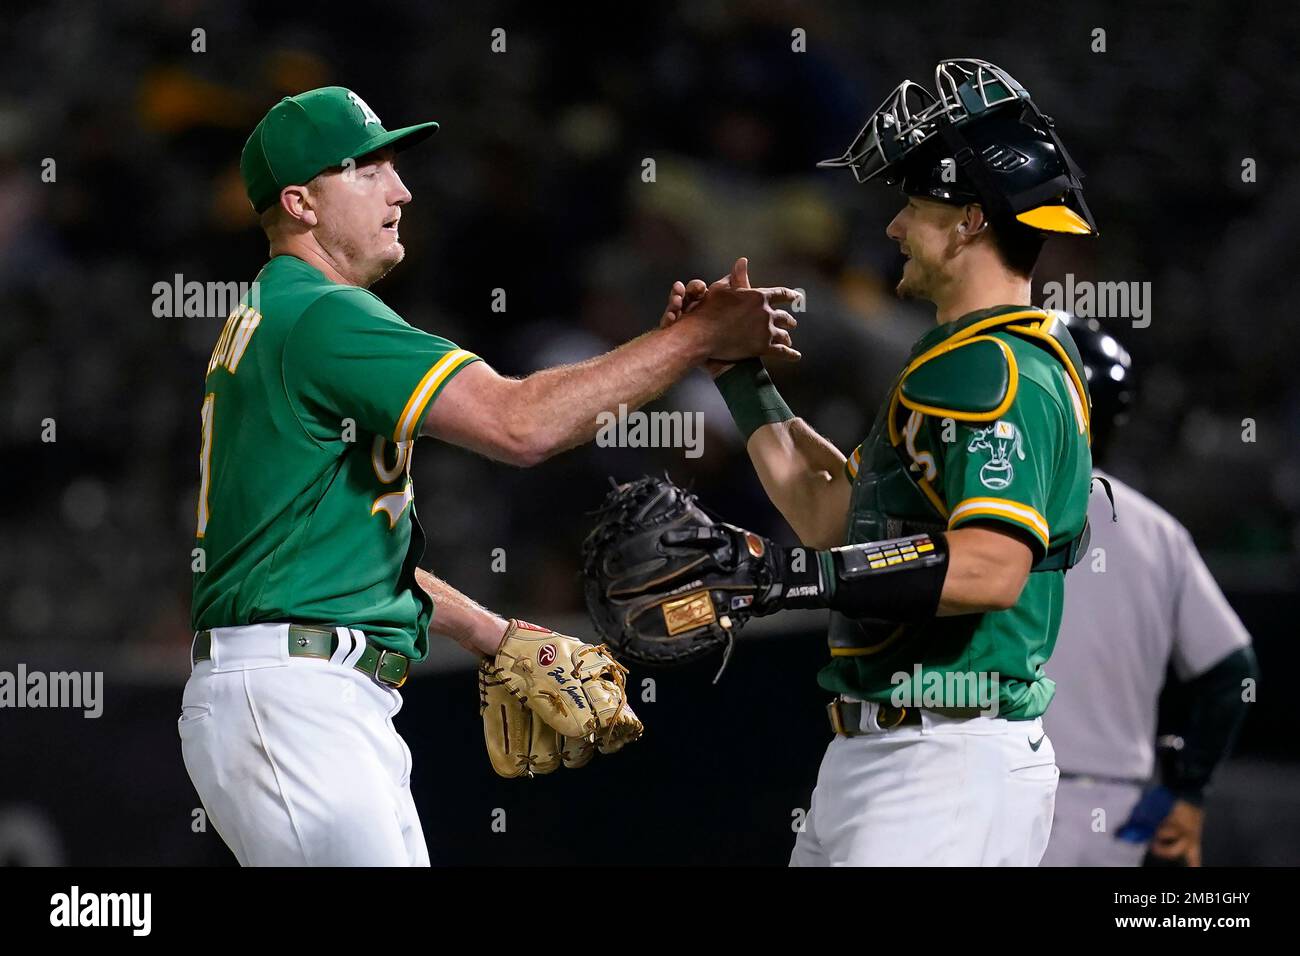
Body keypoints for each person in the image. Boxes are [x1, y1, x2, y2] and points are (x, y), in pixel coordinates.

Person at [181, 86, 800, 866]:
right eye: (367, 171)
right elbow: (520, 424)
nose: (400, 190)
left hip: (301, 693)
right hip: (295, 702)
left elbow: (335, 560)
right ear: (301, 203)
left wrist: (493, 634)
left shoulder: (282, 314)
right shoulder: (321, 315)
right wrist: (690, 342)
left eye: (395, 168)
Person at [644, 59, 1098, 865]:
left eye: (916, 206)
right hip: (893, 754)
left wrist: (789, 579)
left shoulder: (993, 370)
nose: (893, 228)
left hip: (943, 761)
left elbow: (989, 569)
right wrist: (740, 379)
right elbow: (833, 514)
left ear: (970, 223)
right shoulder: (969, 357)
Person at [1040, 317, 1257, 867]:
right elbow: (1233, 670)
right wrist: (1189, 792)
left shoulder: (992, 517)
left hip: (1014, 792)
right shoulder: (1158, 533)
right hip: (1120, 813)